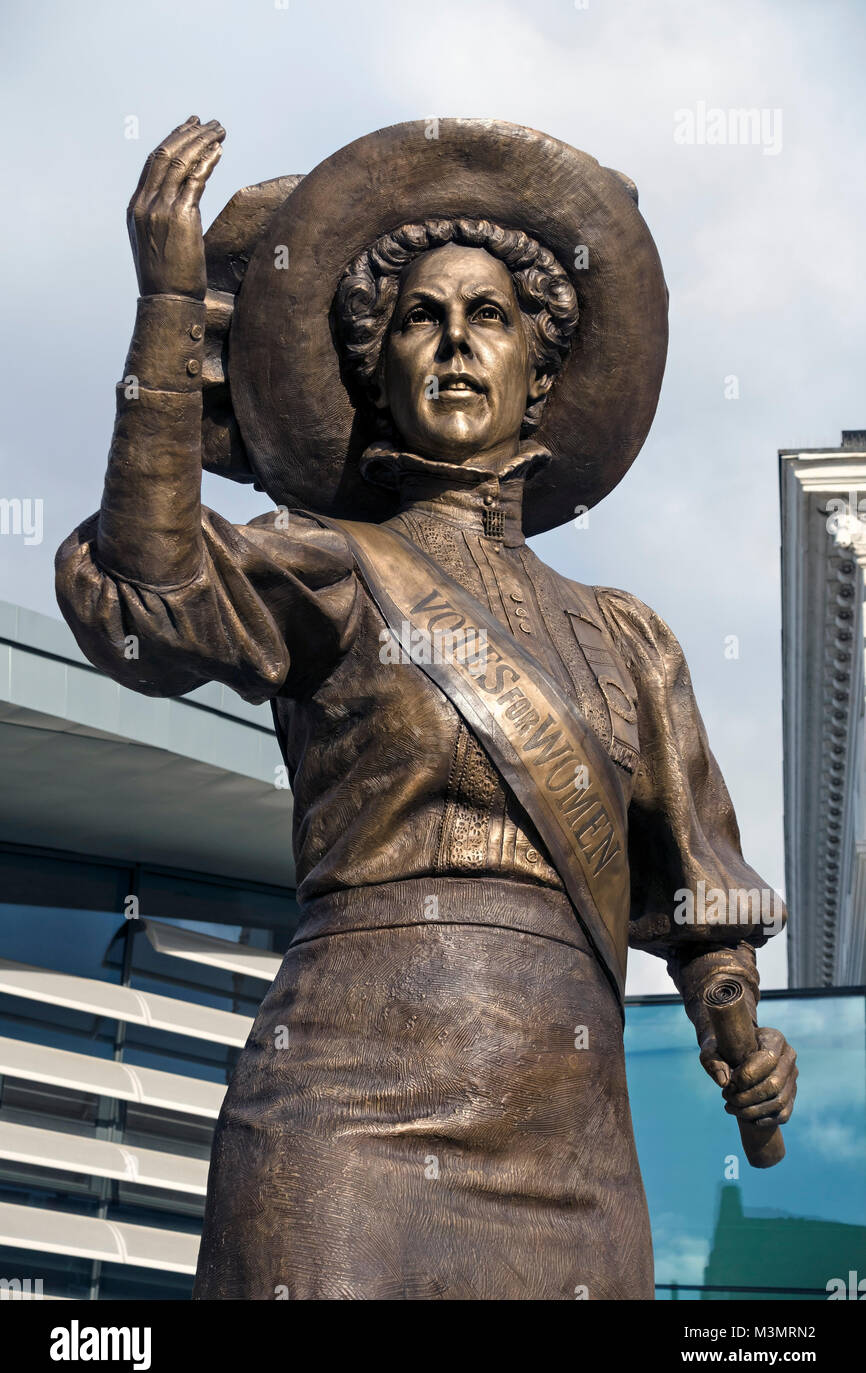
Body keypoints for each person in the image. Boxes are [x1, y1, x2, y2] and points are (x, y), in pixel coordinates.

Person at [56, 116, 797, 1300]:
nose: (454, 345)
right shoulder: (325, 567)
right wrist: (165, 310)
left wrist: (731, 1020)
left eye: (487, 317)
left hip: (570, 1142)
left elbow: (699, 898)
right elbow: (144, 603)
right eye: (418, 318)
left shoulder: (626, 638)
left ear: (538, 371)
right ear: (376, 364)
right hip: (343, 1115)